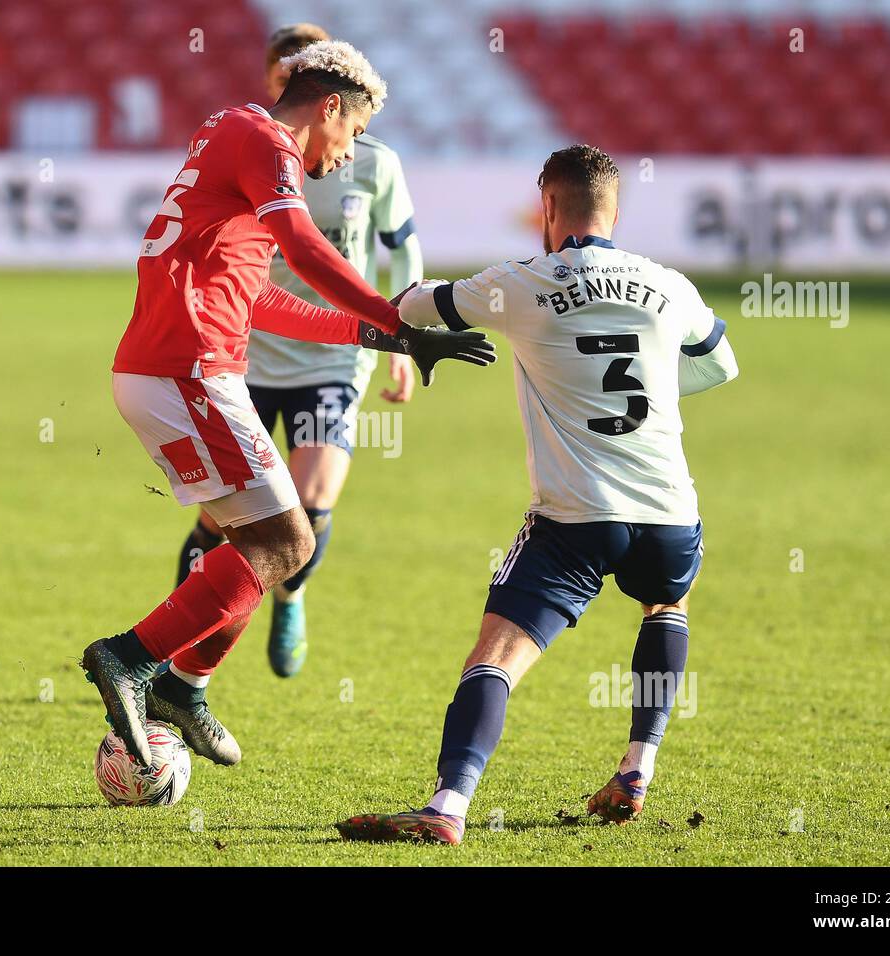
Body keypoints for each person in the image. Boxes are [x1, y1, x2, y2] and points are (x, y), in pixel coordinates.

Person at [82, 41, 495, 771]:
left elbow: (267, 299)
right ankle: (130, 658)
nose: (351, 153)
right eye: (356, 134)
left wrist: (388, 340)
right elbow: (303, 250)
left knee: (262, 544)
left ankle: (184, 688)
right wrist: (399, 318)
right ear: (330, 107)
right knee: (288, 543)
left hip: (170, 371)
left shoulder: (228, 135)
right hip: (189, 373)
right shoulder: (261, 138)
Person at [336, 144, 738, 844]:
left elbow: (415, 307)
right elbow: (720, 365)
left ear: (548, 208)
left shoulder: (522, 282)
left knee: (495, 654)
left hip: (574, 520)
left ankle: (448, 806)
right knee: (666, 602)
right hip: (670, 512)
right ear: (615, 208)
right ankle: (637, 766)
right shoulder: (668, 284)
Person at [172, 23, 426, 679]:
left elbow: (400, 246)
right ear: (275, 84)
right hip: (247, 350)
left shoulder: (370, 161)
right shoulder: (255, 149)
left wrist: (398, 332)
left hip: (334, 356)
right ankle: (175, 654)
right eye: (282, 77)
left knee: (308, 510)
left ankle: (291, 594)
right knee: (221, 526)